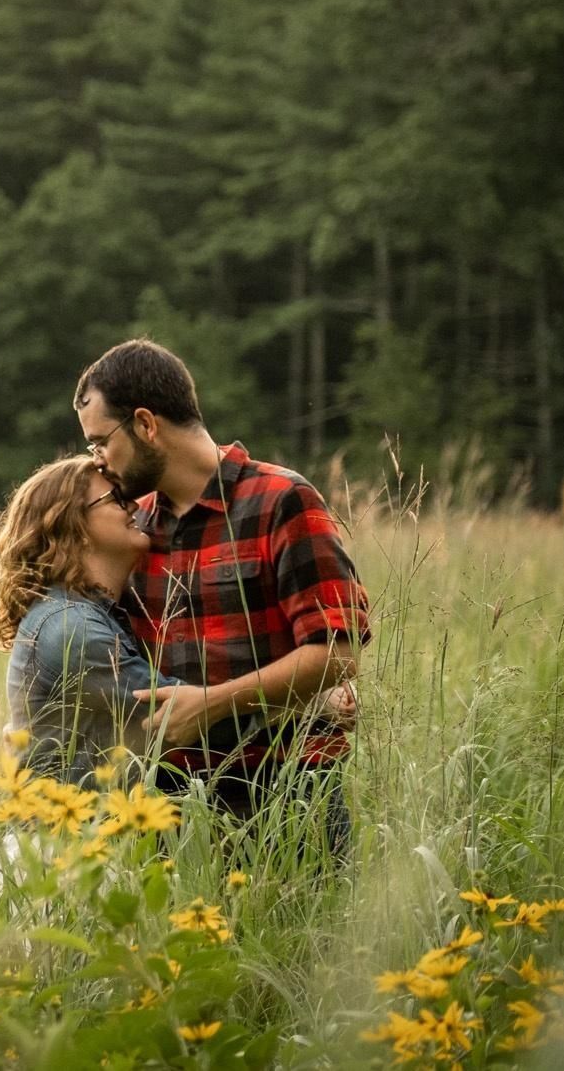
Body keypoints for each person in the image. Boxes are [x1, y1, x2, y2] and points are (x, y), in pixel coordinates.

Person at [73, 339, 369, 859]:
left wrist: (211, 706)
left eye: (101, 442)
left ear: (145, 424)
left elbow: (337, 654)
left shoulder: (282, 500)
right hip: (166, 799)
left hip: (289, 791)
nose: (97, 460)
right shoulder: (131, 527)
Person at [0, 456, 183, 785]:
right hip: (60, 834)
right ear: (73, 524)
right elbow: (185, 712)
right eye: (116, 498)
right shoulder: (72, 629)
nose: (134, 505)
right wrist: (282, 694)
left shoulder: (85, 613)